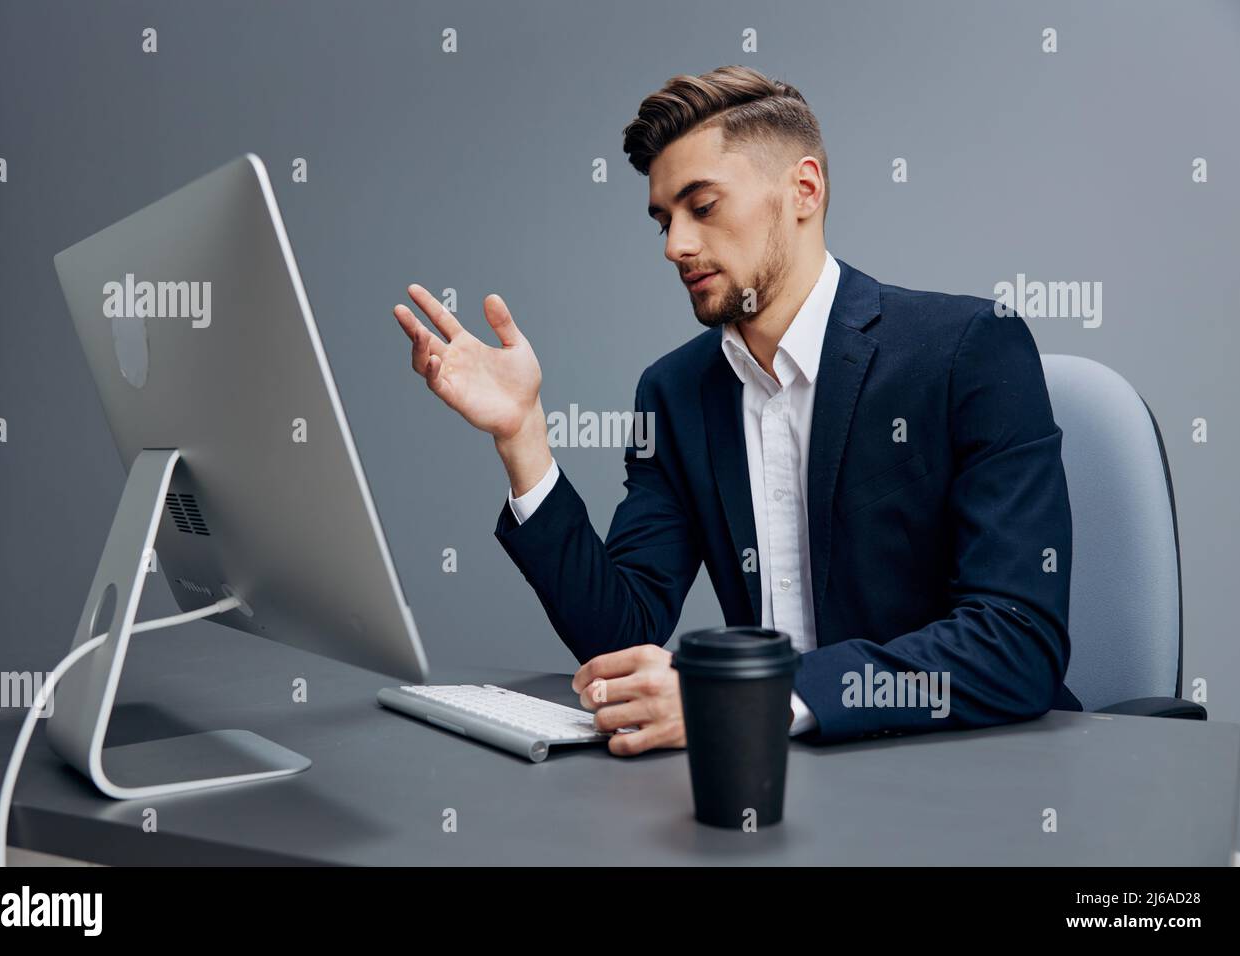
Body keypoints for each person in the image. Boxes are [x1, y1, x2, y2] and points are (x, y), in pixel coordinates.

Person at [392, 65, 1081, 755]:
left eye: (703, 206)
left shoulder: (968, 350)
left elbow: (1016, 638)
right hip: (771, 783)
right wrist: (523, 436)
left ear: (803, 190)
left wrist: (751, 698)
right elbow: (622, 631)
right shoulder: (675, 392)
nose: (675, 246)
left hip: (964, 774)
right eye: (664, 220)